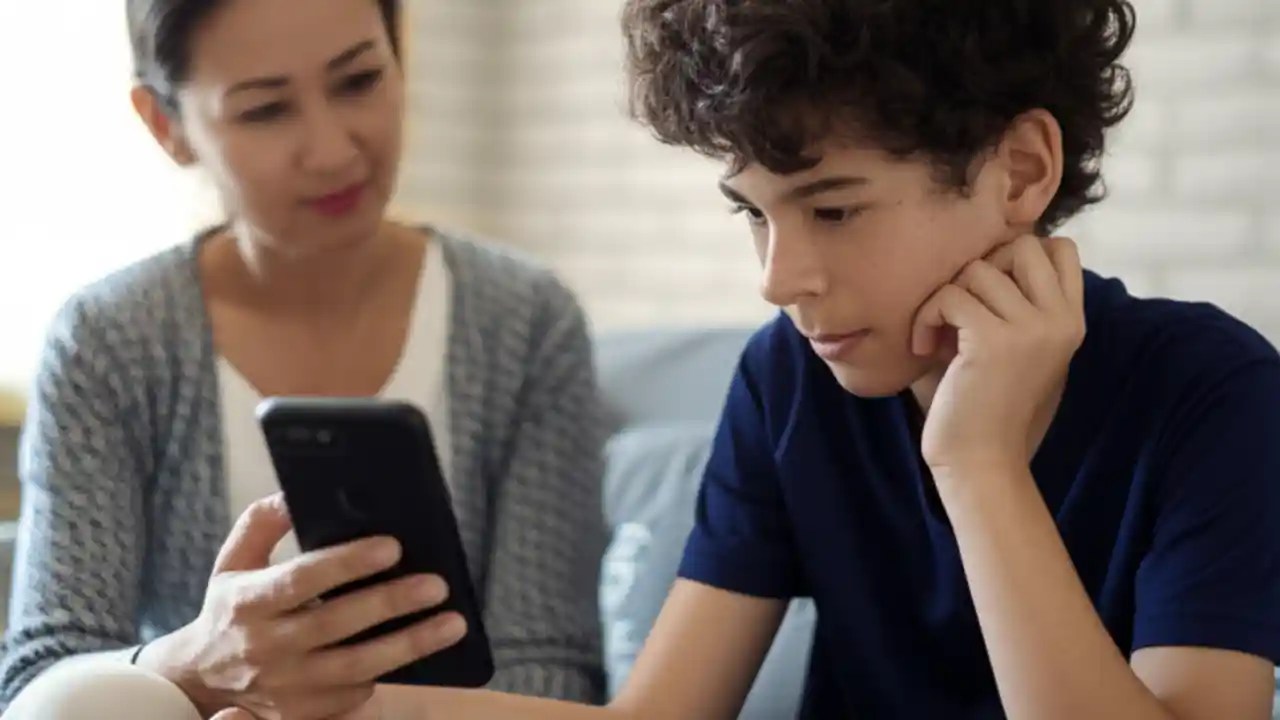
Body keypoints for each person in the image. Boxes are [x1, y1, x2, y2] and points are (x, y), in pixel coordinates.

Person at [307, 0, 1280, 718]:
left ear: (1019, 169)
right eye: (753, 214)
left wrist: (976, 467)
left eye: (832, 209)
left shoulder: (1211, 392)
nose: (777, 280)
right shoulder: (789, 379)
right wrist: (336, 700)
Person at [1, 0, 606, 717]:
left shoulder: (526, 322)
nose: (333, 149)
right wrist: (195, 663)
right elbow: (43, 683)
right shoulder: (109, 338)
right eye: (265, 111)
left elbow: (552, 670)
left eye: (357, 82)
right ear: (167, 126)